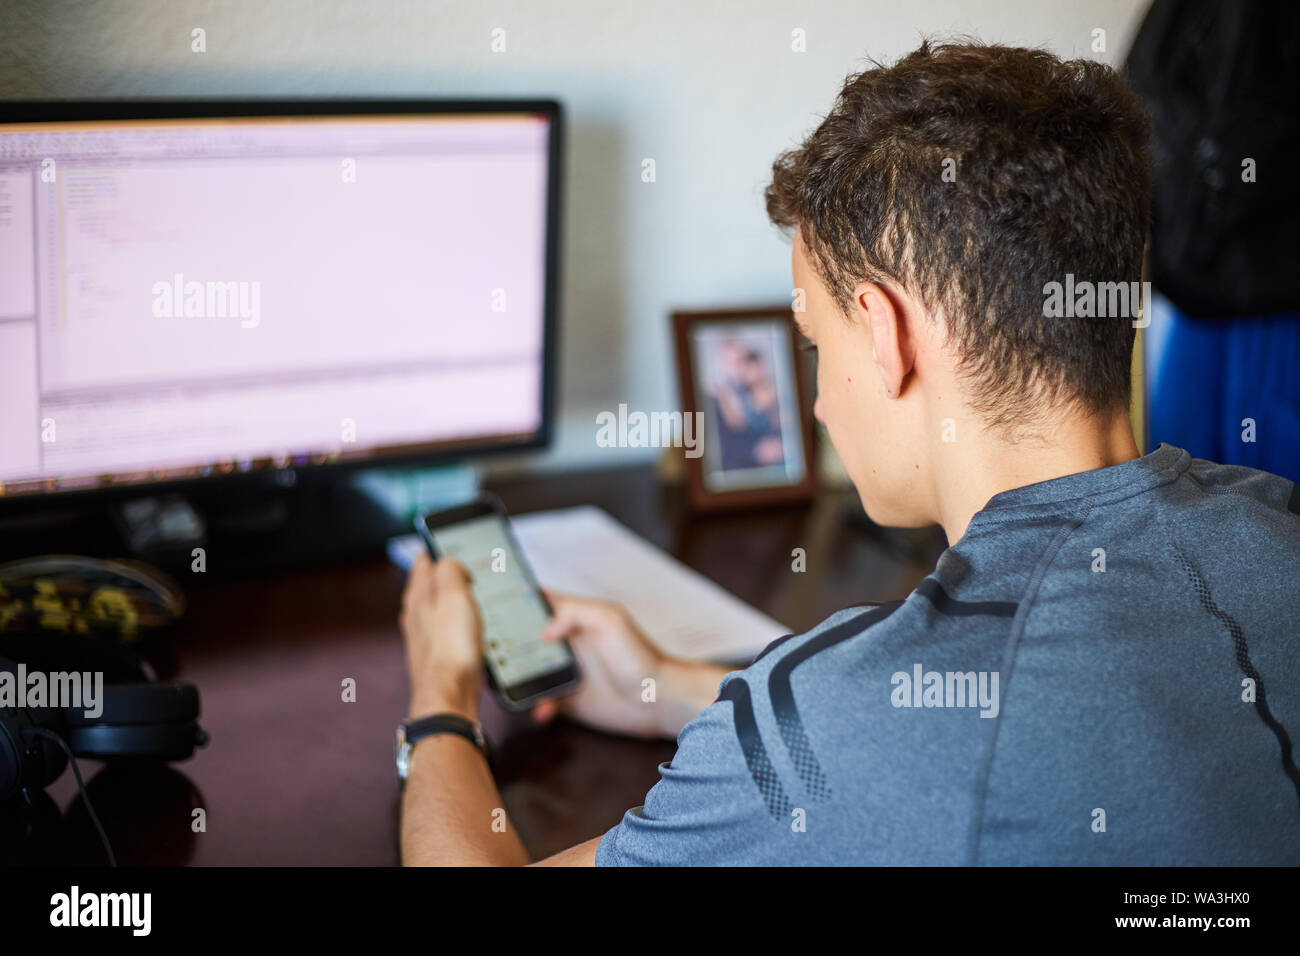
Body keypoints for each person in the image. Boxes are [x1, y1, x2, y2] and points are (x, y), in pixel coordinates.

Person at [398, 40, 1300, 866]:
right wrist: (670, 688)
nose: (821, 402)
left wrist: (440, 699)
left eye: (814, 344)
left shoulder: (830, 723)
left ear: (884, 333)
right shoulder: (1275, 523)